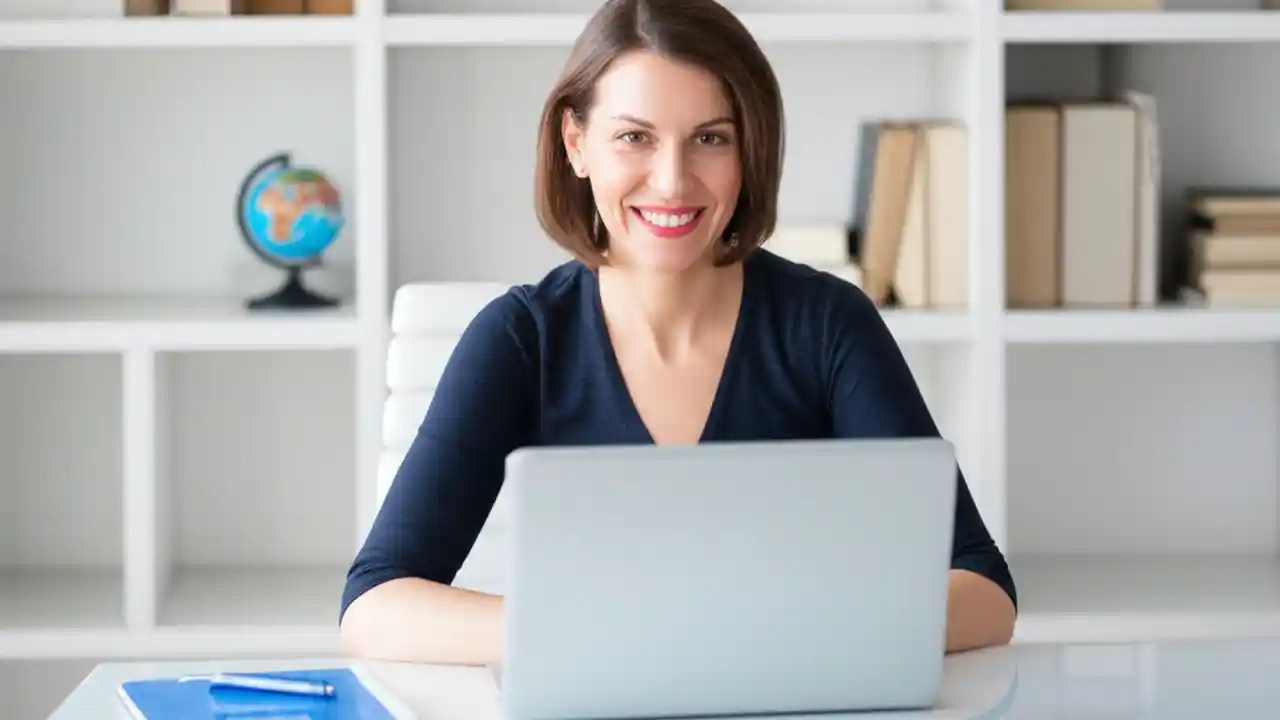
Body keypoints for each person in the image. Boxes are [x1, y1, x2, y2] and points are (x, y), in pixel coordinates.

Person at [339, 0, 1016, 666]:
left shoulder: (827, 325)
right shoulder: (520, 339)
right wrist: (605, 634)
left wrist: (786, 632)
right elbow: (375, 605)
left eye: (711, 138)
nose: (672, 181)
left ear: (750, 150)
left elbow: (983, 589)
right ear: (576, 144)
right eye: (635, 137)